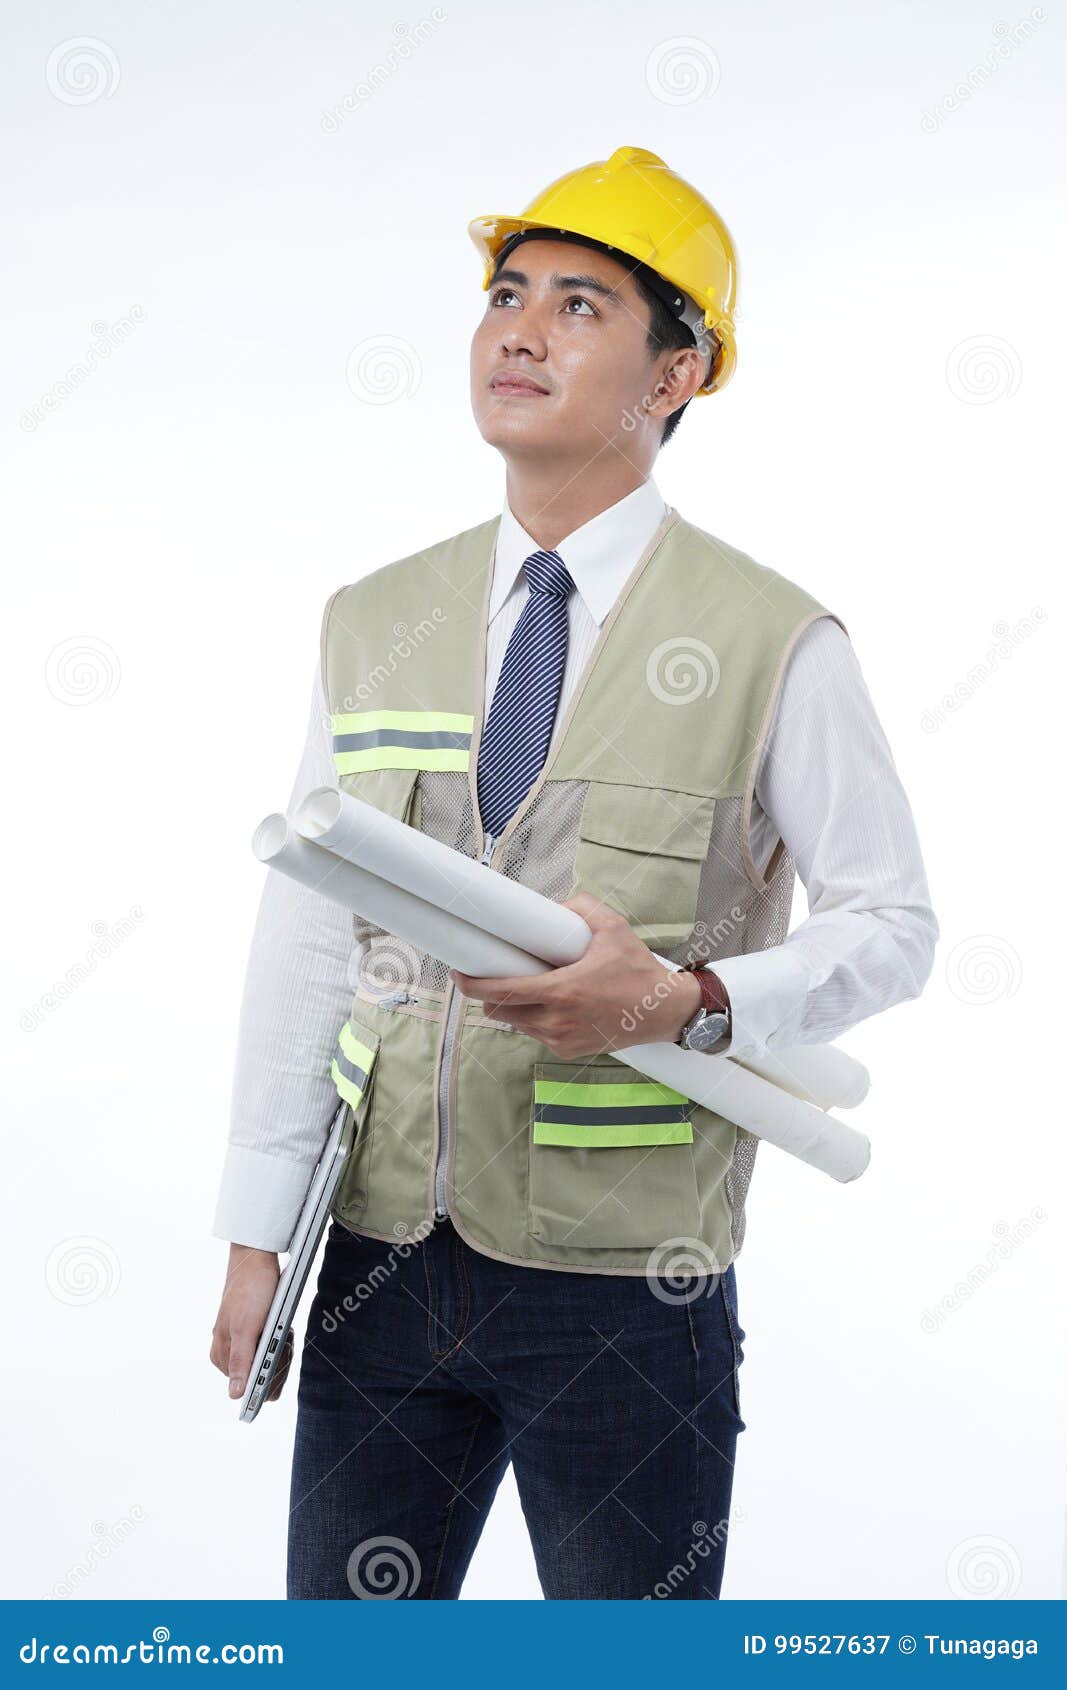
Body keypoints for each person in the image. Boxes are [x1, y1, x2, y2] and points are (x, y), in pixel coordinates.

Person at [209, 146, 937, 1600]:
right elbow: (307, 934)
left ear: (679, 374)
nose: (519, 332)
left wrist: (682, 998)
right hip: (374, 1262)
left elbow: (896, 926)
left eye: (582, 305)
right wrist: (254, 1225)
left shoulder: (772, 640)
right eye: (505, 294)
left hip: (626, 1290)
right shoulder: (378, 617)